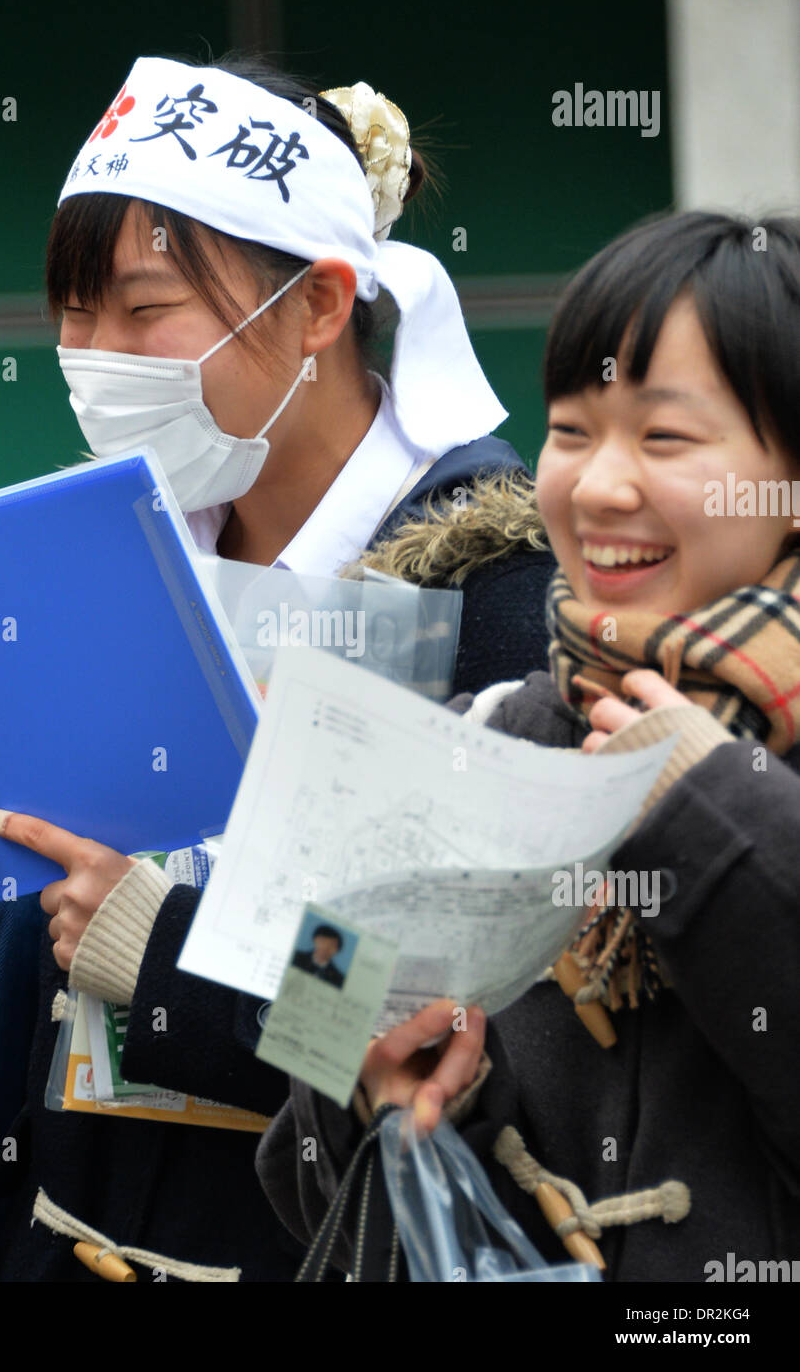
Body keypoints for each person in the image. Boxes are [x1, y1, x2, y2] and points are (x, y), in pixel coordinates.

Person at [0, 54, 551, 1282]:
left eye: (144, 309)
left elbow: (469, 1013)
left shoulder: (494, 582)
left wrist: (173, 954)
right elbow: (19, 884)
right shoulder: (78, 552)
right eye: (71, 308)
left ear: (319, 306)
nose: (93, 354)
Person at [255, 210, 800, 1281]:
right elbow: (303, 1151)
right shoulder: (485, 732)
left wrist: (705, 804)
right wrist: (364, 1079)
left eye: (664, 437)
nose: (596, 487)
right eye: (569, 429)